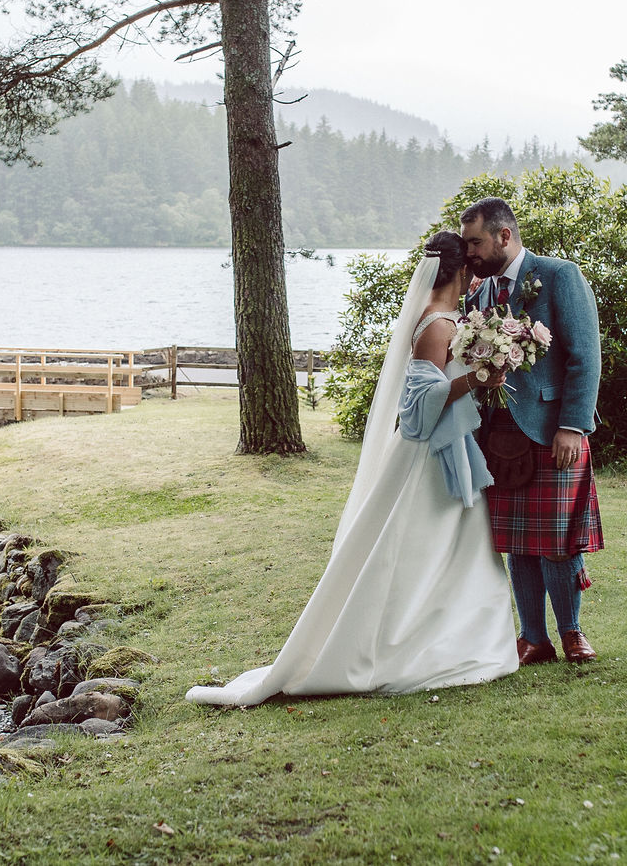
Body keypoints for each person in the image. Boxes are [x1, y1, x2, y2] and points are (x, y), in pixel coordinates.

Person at [186, 231, 518, 706]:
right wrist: (481, 376)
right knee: (426, 548)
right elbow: (421, 406)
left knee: (449, 548)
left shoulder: (441, 318)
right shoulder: (439, 323)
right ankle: (422, 645)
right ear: (461, 272)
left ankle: (454, 635)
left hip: (444, 448)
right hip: (425, 456)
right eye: (469, 271)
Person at [460, 197, 604, 665]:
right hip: (498, 437)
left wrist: (572, 425)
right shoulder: (479, 292)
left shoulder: (560, 275)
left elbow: (586, 355)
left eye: (476, 242)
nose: (470, 253)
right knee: (516, 541)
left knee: (558, 541)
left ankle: (572, 632)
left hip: (551, 431)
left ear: (505, 235)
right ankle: (533, 638)